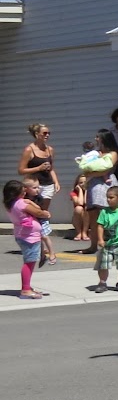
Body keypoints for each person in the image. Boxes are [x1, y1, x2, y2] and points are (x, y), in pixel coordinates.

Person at [18, 123, 60, 266]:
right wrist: (38, 167)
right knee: (34, 215)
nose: (47, 135)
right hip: (34, 185)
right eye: (44, 133)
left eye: (49, 133)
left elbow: (52, 169)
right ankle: (41, 247)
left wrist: (56, 181)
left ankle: (43, 247)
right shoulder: (29, 150)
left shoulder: (50, 150)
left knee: (43, 214)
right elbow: (21, 170)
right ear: (37, 134)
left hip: (47, 185)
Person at [6, 178, 51, 299]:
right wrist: (45, 213)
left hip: (22, 235)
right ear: (16, 193)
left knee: (29, 261)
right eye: (22, 191)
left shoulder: (11, 204)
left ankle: (27, 286)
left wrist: (28, 202)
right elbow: (39, 213)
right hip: (29, 237)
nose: (24, 193)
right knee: (29, 262)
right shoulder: (21, 203)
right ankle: (25, 290)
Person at [94, 185, 118, 294]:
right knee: (104, 264)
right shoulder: (104, 212)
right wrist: (100, 239)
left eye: (111, 197)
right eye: (107, 197)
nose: (108, 200)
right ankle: (102, 283)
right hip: (107, 243)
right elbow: (100, 226)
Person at [79, 130, 118, 230]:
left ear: (104, 139)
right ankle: (94, 244)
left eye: (98, 137)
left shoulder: (113, 153)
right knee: (94, 216)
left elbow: (105, 170)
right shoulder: (94, 153)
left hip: (108, 184)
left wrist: (89, 175)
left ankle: (111, 241)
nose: (95, 139)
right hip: (94, 184)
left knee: (109, 213)